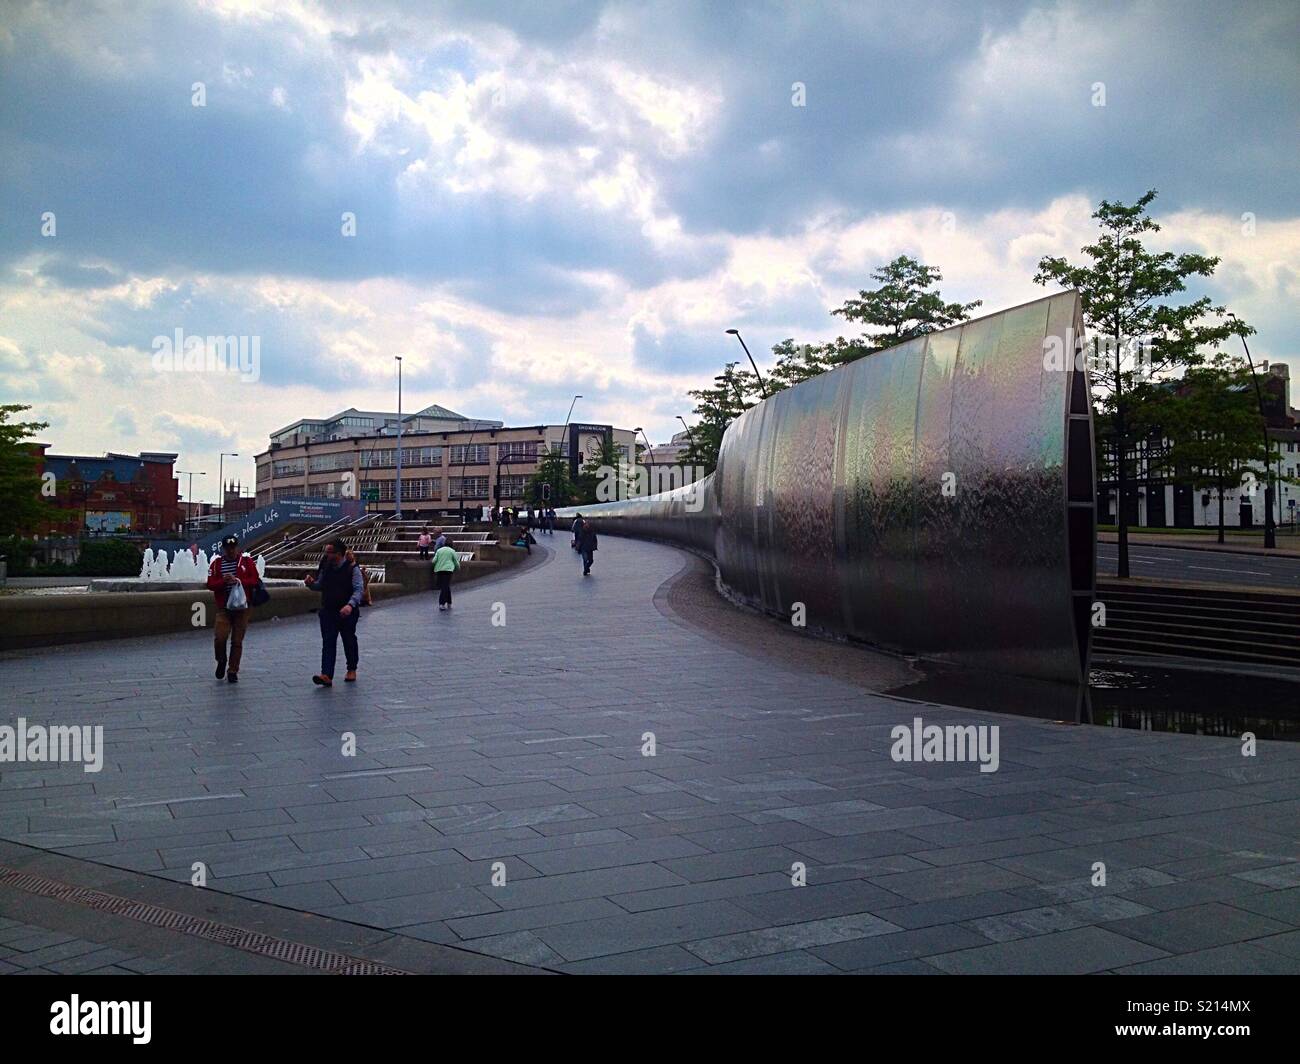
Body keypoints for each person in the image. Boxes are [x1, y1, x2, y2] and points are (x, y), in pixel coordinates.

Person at [304, 537, 363, 686]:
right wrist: (311, 584)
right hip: (328, 611)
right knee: (328, 642)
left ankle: (351, 669)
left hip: (347, 613)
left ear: (339, 554)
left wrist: (350, 605)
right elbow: (320, 585)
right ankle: (326, 674)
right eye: (327, 552)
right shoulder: (326, 566)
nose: (327, 555)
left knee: (348, 640)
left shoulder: (352, 568)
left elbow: (358, 589)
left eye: (330, 553)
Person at [206, 534, 260, 684]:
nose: (231, 551)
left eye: (233, 548)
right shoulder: (216, 564)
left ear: (237, 548)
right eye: (228, 548)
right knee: (220, 638)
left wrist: (239, 580)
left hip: (242, 608)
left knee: (237, 641)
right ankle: (221, 661)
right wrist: (223, 581)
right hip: (224, 608)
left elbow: (255, 579)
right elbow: (210, 584)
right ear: (223, 549)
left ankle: (232, 670)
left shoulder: (247, 562)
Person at [432, 537, 461, 610]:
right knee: (445, 587)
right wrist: (458, 568)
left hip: (439, 570)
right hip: (448, 570)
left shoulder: (439, 550)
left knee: (445, 586)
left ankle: (449, 603)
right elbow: (456, 561)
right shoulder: (452, 551)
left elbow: (434, 561)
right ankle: (442, 604)